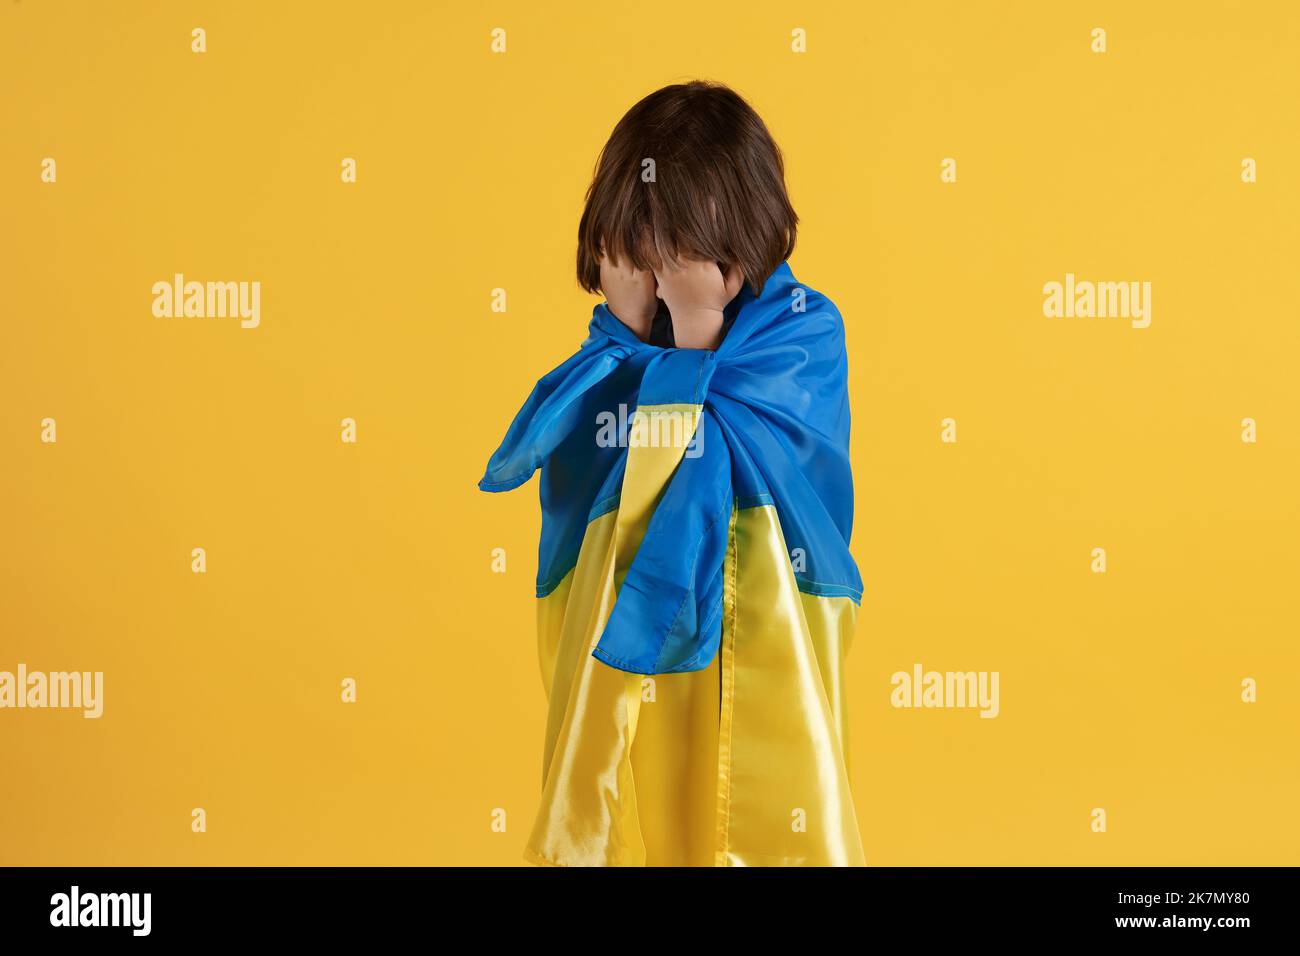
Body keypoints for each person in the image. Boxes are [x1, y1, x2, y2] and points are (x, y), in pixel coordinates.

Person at [480, 81, 865, 866]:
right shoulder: (616, 355)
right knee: (641, 800)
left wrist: (693, 341)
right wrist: (627, 338)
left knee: (739, 800)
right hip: (630, 638)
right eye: (638, 256)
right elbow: (593, 490)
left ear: (739, 239)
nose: (656, 280)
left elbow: (765, 459)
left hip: (761, 629)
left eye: (676, 256)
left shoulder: (803, 331)